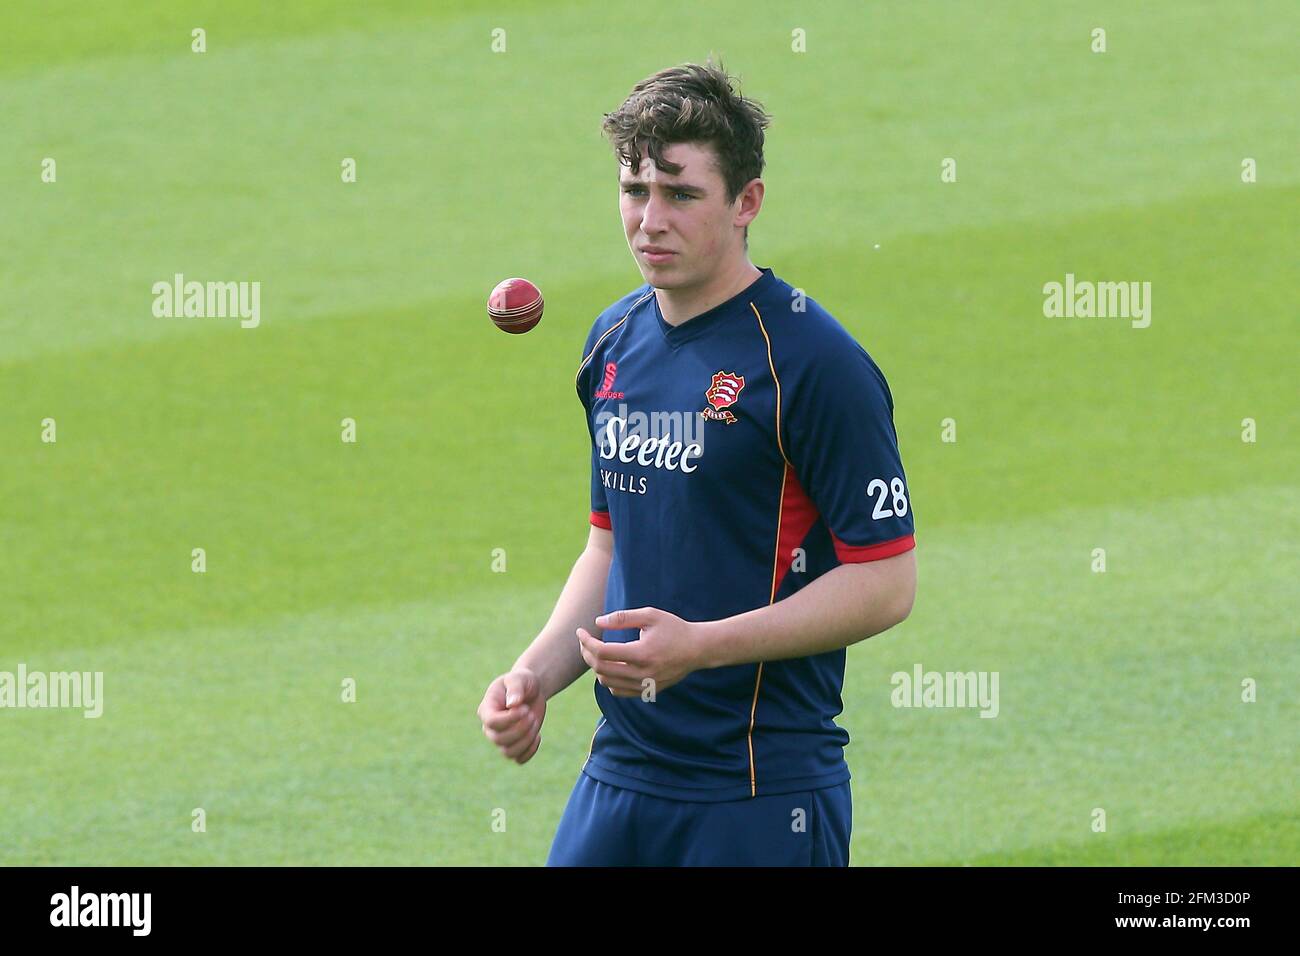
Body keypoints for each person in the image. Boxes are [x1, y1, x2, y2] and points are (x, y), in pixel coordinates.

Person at [477, 59, 917, 866]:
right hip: (623, 772)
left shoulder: (814, 364)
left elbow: (886, 583)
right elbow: (609, 548)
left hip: (759, 789)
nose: (650, 220)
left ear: (746, 202)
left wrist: (700, 646)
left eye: (681, 194)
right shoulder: (613, 342)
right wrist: (537, 675)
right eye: (633, 190)